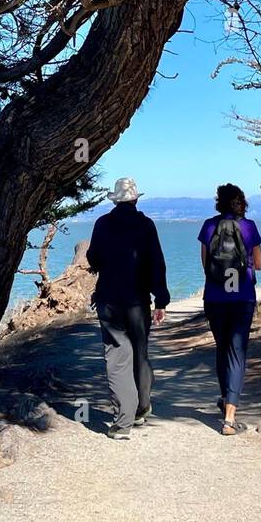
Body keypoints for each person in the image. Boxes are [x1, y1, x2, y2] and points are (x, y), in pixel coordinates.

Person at [86, 178, 170, 439]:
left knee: (117, 358)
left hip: (109, 300)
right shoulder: (145, 225)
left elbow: (93, 258)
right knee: (140, 353)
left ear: (115, 200)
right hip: (138, 301)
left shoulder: (103, 224)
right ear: (135, 199)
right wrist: (162, 300)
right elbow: (156, 262)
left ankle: (123, 422)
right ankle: (141, 408)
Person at [198, 183, 261, 436]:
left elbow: (205, 264)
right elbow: (258, 264)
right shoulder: (249, 227)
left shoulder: (208, 226)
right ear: (241, 203)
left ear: (219, 203)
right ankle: (229, 418)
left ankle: (225, 396)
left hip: (214, 298)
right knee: (237, 352)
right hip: (242, 298)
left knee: (222, 348)